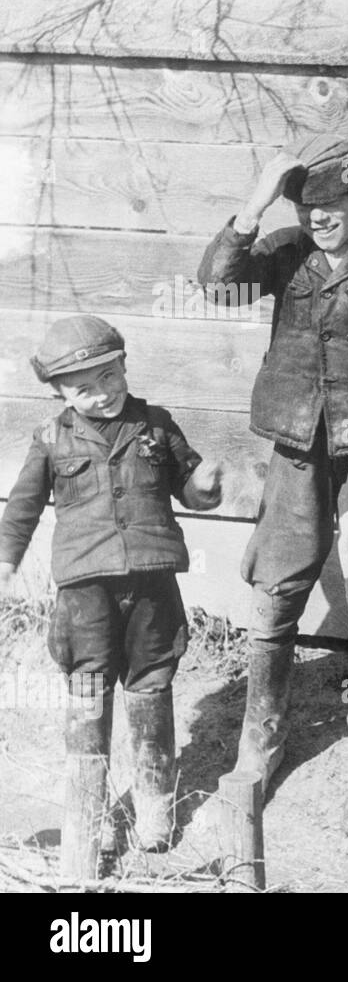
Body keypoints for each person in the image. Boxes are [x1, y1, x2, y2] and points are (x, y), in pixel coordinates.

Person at [198, 134, 348, 838]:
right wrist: (254, 205)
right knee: (280, 580)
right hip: (297, 440)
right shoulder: (285, 252)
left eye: (333, 202)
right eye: (306, 204)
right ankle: (261, 736)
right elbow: (216, 286)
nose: (319, 216)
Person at [0, 316, 223, 862]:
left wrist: (205, 489)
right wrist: (6, 559)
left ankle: (154, 807)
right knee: (88, 689)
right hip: (85, 589)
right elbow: (23, 507)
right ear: (57, 392)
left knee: (151, 683)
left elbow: (190, 487)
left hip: (153, 581)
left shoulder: (156, 424)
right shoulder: (50, 438)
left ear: (124, 365)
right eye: (83, 387)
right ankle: (90, 816)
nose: (101, 394)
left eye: (109, 376)